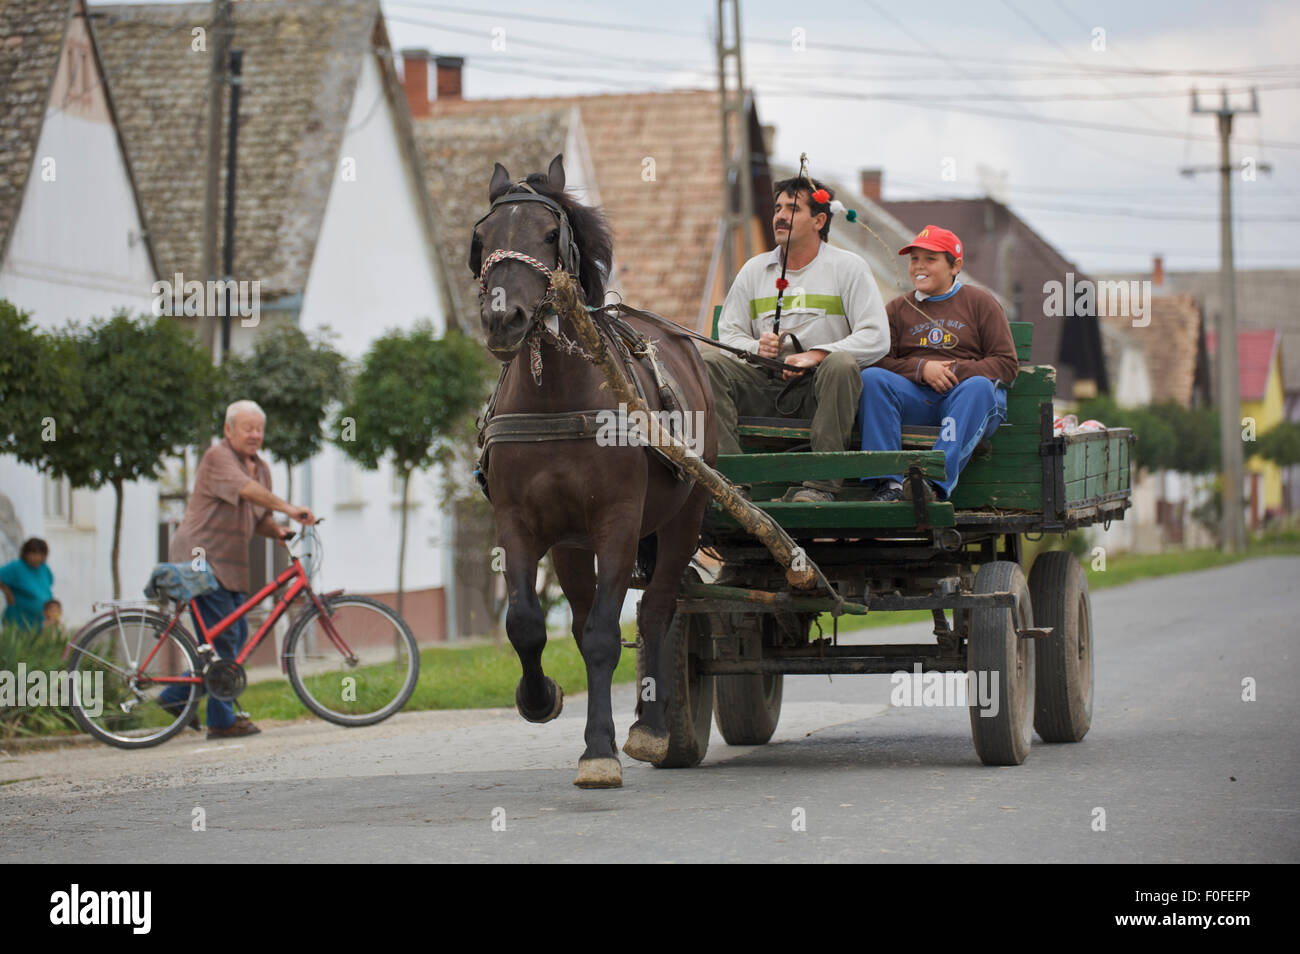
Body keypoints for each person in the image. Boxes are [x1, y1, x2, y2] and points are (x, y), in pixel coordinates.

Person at [704, 176, 890, 502]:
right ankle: (732, 484)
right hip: (765, 387)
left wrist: (817, 355)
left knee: (842, 364)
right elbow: (728, 333)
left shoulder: (848, 267)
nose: (780, 215)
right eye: (777, 208)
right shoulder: (754, 270)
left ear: (819, 220)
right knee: (708, 362)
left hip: (824, 394)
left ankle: (820, 487)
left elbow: (876, 336)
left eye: (793, 208)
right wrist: (754, 346)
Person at [158, 400, 317, 738]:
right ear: (228, 430)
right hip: (199, 556)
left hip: (228, 563)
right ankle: (221, 719)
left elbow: (259, 516)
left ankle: (177, 697)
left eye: (259, 428)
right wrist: (290, 507)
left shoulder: (261, 468)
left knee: (236, 636)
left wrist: (279, 529)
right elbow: (246, 491)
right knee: (225, 639)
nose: (255, 435)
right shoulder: (218, 457)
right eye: (248, 428)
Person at [859, 225, 1019, 502]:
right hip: (917, 400)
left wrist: (953, 370)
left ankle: (931, 485)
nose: (919, 267)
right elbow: (878, 358)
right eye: (914, 259)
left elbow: (1006, 365)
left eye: (930, 259)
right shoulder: (898, 309)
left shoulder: (980, 302)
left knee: (980, 387)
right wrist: (922, 370)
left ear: (955, 265)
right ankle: (890, 485)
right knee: (872, 378)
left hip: (966, 403)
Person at [0, 538, 54, 631]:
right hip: (20, 620)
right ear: (26, 553)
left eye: (41, 554)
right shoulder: (16, 567)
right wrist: (7, 593)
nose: (37, 557)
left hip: (41, 620)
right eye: (33, 553)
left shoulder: (44, 568)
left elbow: (47, 586)